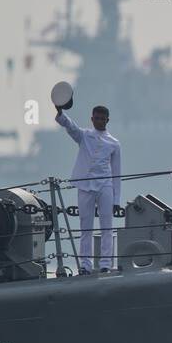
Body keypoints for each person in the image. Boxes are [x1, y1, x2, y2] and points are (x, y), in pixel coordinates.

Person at [55, 103, 121, 273]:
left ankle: (106, 264)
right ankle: (85, 265)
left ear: (107, 120)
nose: (99, 121)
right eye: (96, 118)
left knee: (107, 226)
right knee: (86, 227)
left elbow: (117, 173)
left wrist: (116, 199)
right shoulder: (84, 136)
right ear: (92, 119)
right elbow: (70, 127)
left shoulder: (114, 143)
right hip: (85, 185)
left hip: (105, 185)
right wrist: (60, 112)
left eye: (102, 119)